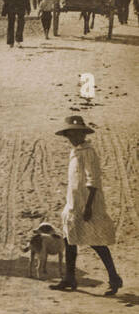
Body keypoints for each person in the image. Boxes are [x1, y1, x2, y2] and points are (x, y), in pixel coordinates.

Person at [51, 116, 122, 294]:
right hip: (74, 203)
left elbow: (93, 179)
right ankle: (69, 278)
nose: (73, 137)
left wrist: (89, 206)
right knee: (69, 239)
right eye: (70, 134)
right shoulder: (75, 151)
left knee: (95, 241)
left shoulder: (88, 152)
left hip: (87, 203)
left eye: (77, 133)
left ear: (83, 134)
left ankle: (114, 277)